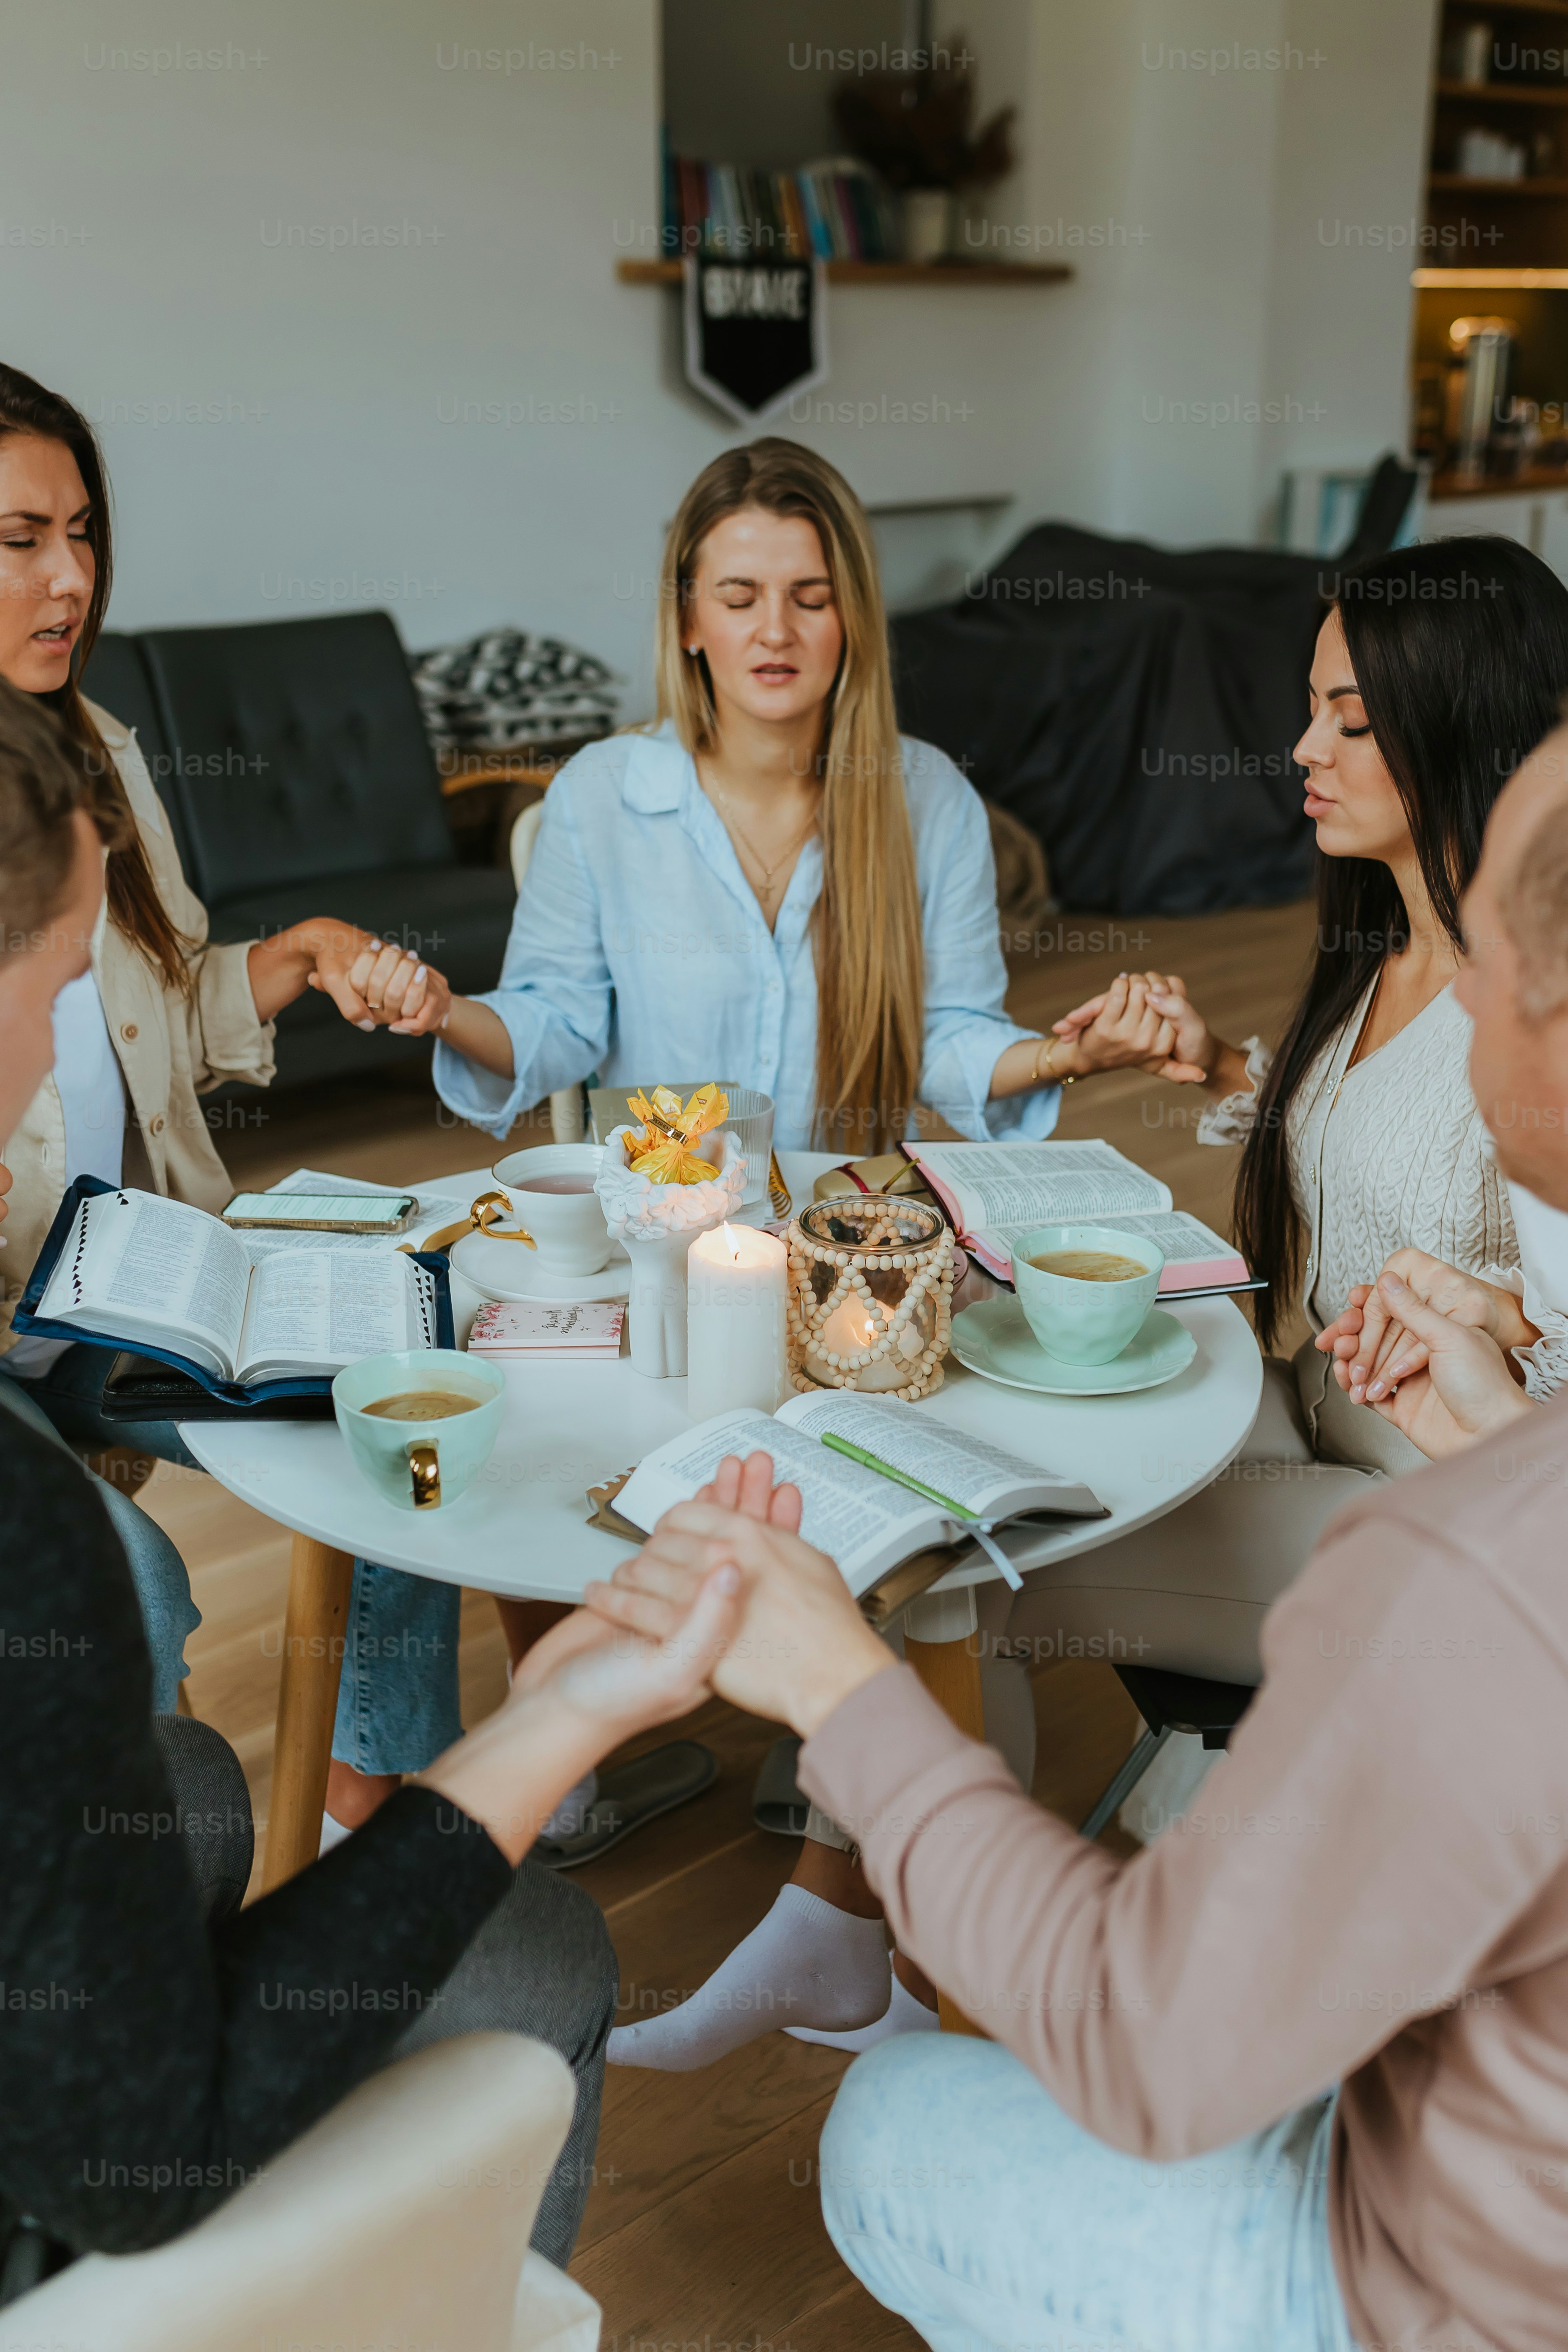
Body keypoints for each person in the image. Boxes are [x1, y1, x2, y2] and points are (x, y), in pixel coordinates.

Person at [579, 724, 1568, 2352]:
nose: (1457, 985)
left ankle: (868, 1951)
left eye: (1498, 951)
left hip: (1431, 2291)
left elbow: (1146, 2041)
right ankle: (844, 1923)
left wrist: (842, 1688)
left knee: (890, 2120)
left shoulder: (1461, 1569)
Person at [319, 437, 1184, 1865]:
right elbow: (548, 1024)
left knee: (908, 1463)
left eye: (808, 595)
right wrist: (449, 1011)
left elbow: (956, 1040)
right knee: (540, 1442)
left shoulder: (926, 801)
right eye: (739, 595)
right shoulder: (602, 796)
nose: (774, 632)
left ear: (852, 615)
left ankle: (833, 1758)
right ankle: (579, 1759)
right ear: (685, 618)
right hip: (664, 1240)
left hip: (853, 1250)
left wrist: (1061, 1053)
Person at [0, 674, 744, 2283]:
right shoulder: (28, 1534)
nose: (79, 1020)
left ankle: (360, 1810)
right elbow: (137, 2161)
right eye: (59, 980)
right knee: (534, 1940)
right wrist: (567, 1710)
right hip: (83, 2184)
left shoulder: (108, 756)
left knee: (192, 1785)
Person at [1013, 534, 1568, 1691]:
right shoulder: (1389, 944)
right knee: (1021, 1448)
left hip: (1430, 1510)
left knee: (978, 1574)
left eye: (1351, 723)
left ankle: (858, 1876)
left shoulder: (1536, 1021)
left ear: (1465, 727)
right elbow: (1373, 1125)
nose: (1304, 748)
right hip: (1306, 1413)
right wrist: (1219, 1067)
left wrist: (1506, 1320)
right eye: (1311, 710)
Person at [0, 364, 399, 1703]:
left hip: (127, 1281)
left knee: (385, 1423)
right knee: (131, 1596)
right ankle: (141, 1901)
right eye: (20, 544)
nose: (72, 580)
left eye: (82, 532)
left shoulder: (99, 745)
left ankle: (366, 1810)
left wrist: (297, 957)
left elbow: (151, 1010)